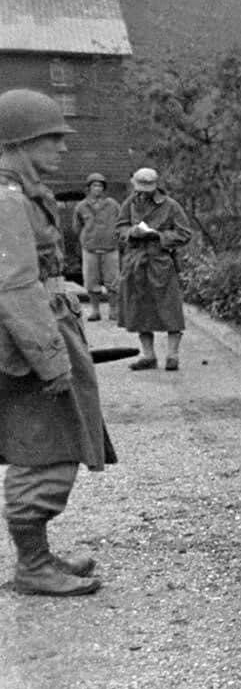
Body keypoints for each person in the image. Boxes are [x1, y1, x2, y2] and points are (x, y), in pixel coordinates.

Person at [0, 88, 111, 596]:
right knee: (43, 449)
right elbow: (14, 286)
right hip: (25, 349)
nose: (63, 149)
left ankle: (38, 556)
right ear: (23, 141)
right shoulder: (7, 199)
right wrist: (51, 362)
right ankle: (32, 565)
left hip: (33, 333)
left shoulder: (19, 193)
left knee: (47, 445)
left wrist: (58, 284)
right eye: (53, 138)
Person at [117, 167, 192, 371]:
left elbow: (184, 233)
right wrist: (132, 232)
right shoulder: (130, 203)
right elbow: (120, 227)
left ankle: (172, 355)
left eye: (147, 188)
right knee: (140, 309)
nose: (143, 193)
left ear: (156, 186)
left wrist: (159, 235)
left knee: (170, 308)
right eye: (139, 188)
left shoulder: (171, 206)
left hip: (161, 262)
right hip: (136, 261)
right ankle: (148, 355)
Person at [73, 172, 120, 322]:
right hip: (90, 249)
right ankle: (95, 311)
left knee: (113, 281)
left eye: (100, 186)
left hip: (110, 248)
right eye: (94, 185)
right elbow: (76, 227)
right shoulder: (81, 206)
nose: (97, 189)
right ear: (89, 188)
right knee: (91, 282)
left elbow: (122, 222)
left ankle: (113, 310)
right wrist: (86, 238)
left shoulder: (112, 205)